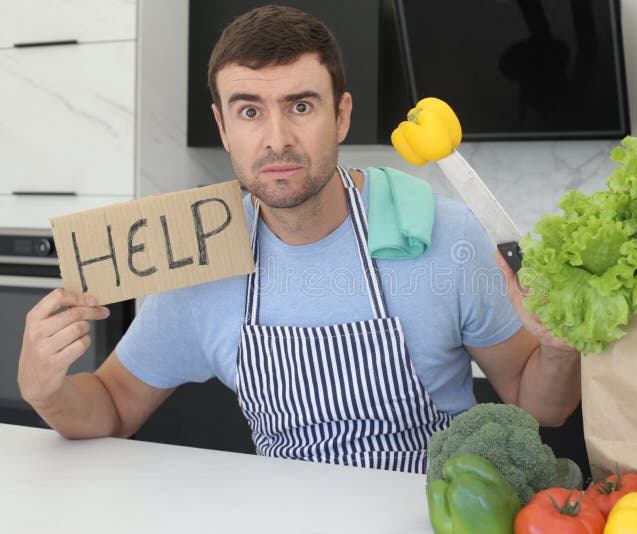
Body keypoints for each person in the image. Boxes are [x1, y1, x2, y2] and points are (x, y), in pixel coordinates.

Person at [17, 5, 580, 473]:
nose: (276, 139)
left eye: (301, 106)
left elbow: (541, 409)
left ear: (341, 115)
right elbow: (113, 408)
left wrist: (558, 349)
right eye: (249, 111)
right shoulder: (201, 258)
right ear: (223, 127)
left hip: (437, 512)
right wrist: (46, 391)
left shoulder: (445, 234)